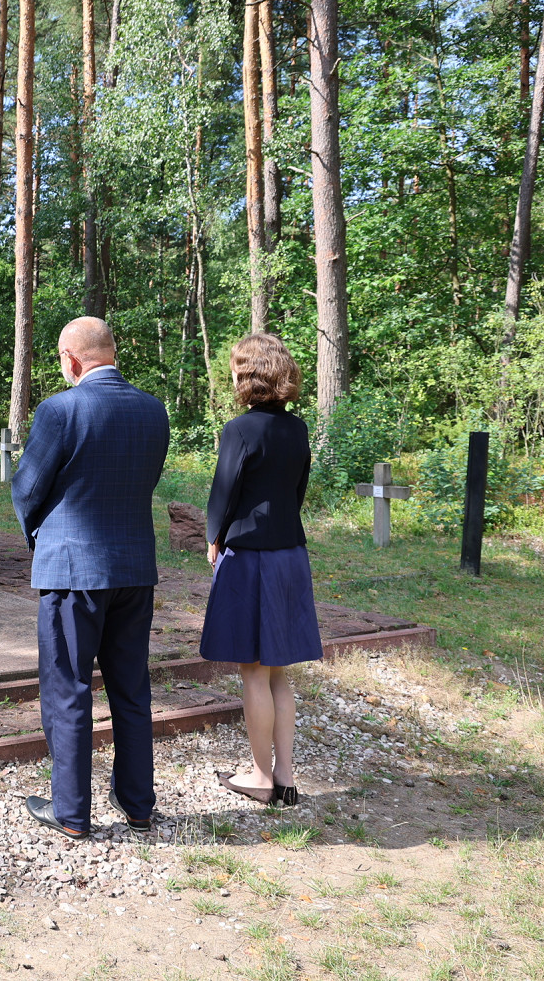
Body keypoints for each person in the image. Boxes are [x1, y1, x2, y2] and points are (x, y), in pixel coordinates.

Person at [11, 317, 170, 839]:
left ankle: (71, 812)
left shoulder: (60, 409)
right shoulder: (153, 410)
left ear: (71, 359)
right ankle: (138, 804)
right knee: (131, 689)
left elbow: (28, 489)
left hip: (73, 571)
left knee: (68, 688)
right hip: (134, 570)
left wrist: (39, 539)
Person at [203, 333, 322, 807]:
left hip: (249, 557)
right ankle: (286, 776)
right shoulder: (297, 430)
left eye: (235, 367)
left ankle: (259, 775)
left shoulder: (239, 431)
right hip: (290, 555)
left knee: (253, 672)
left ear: (248, 375)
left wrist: (214, 538)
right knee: (278, 675)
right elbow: (297, 491)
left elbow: (224, 494)